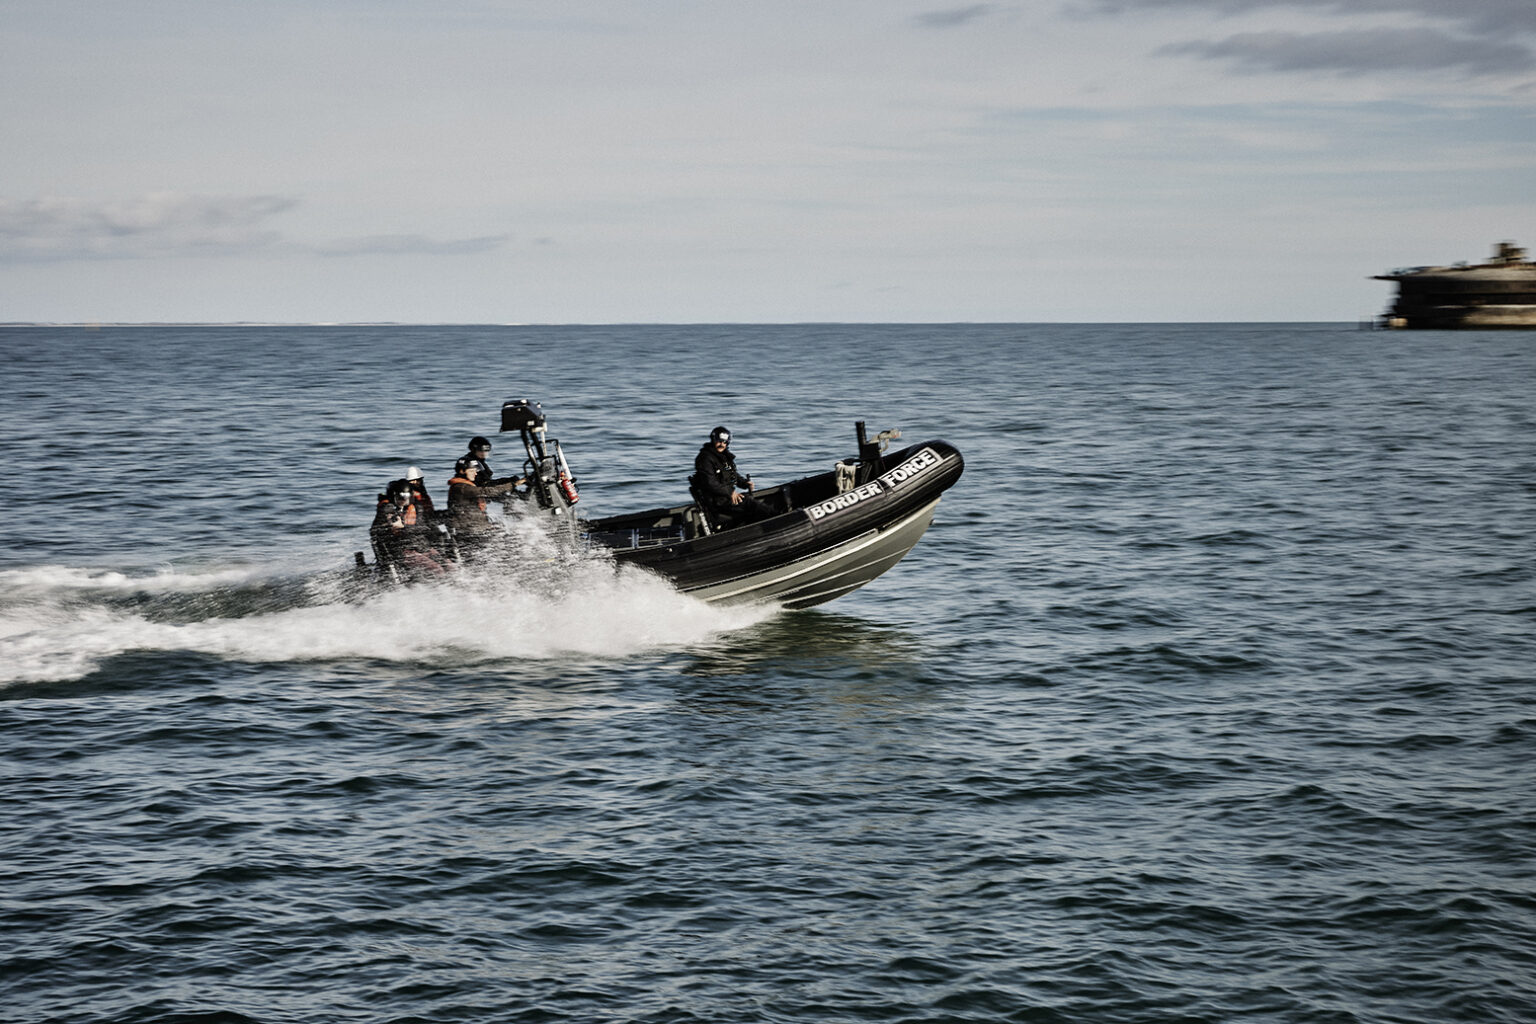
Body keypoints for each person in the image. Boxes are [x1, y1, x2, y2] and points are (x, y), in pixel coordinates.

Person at [693, 425, 772, 527]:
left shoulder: (723, 457)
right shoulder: (705, 459)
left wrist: (744, 483)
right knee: (750, 504)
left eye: (725, 442)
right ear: (713, 439)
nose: (722, 444)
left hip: (725, 498)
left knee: (750, 501)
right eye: (719, 441)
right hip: (718, 502)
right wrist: (730, 492)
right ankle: (779, 519)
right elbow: (710, 483)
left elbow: (732, 474)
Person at [446, 457, 523, 535]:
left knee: (510, 529)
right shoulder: (461, 487)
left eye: (475, 471)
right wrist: (513, 485)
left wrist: (508, 482)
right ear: (462, 471)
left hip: (476, 525)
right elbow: (486, 491)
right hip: (469, 529)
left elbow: (489, 487)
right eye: (472, 471)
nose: (475, 473)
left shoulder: (466, 485)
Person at [455, 436, 520, 488]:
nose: (484, 454)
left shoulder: (481, 462)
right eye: (481, 451)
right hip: (480, 492)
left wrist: (508, 480)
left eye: (486, 451)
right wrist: (509, 481)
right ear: (473, 449)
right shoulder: (471, 464)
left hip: (485, 490)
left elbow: (488, 482)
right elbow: (483, 484)